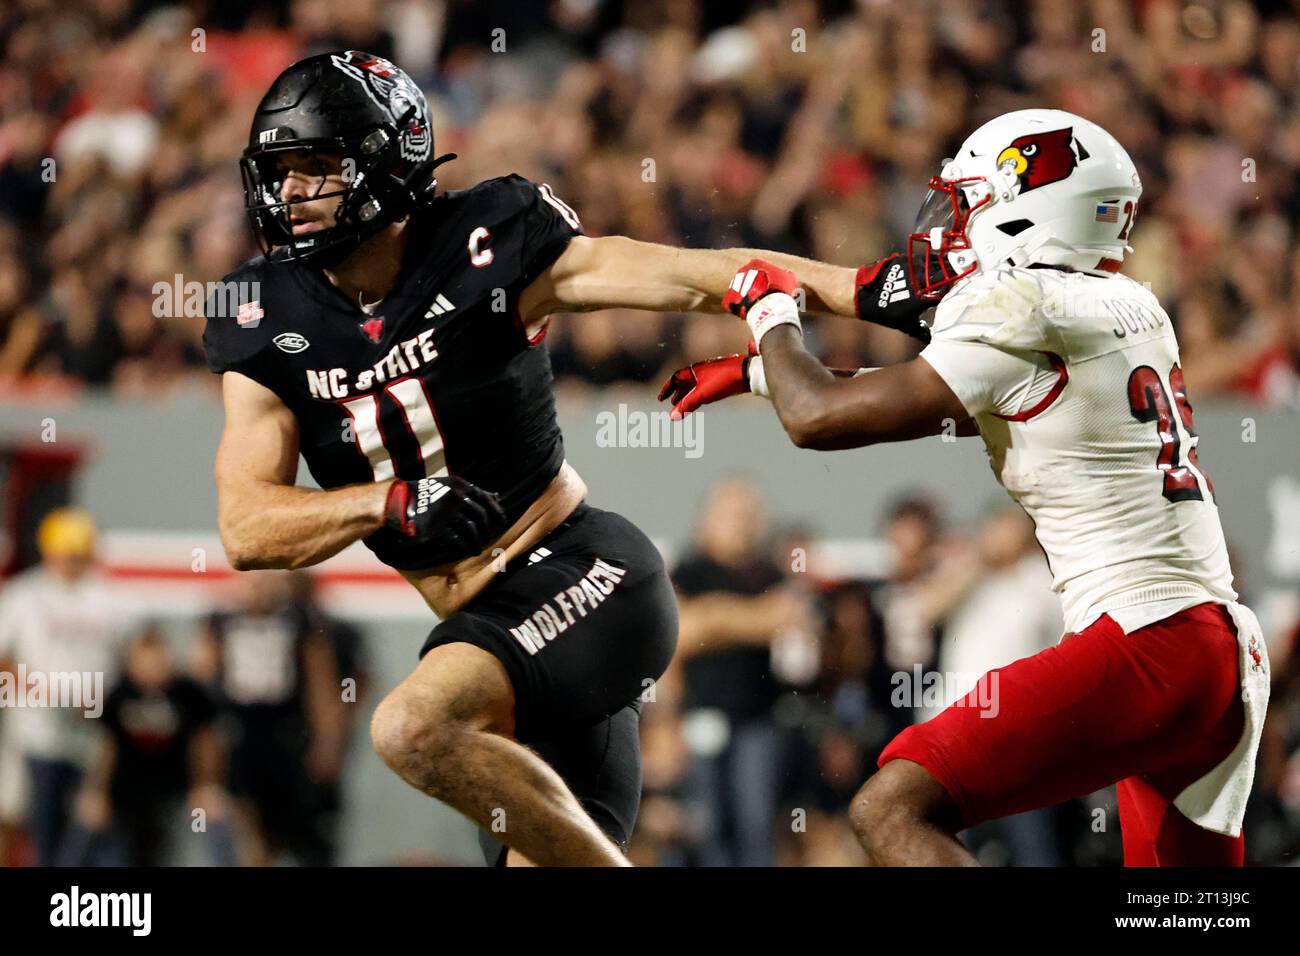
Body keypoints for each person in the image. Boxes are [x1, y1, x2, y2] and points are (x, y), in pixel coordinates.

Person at [203, 51, 911, 866]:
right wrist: (386, 502)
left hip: (584, 575)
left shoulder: (484, 242)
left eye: (316, 167)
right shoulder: (260, 315)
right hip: (501, 645)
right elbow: (246, 526)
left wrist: (872, 289)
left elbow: (695, 278)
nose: (290, 192)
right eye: (280, 171)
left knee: (412, 726)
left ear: (385, 160)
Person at [661, 108, 1270, 866]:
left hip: (1143, 642)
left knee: (892, 809)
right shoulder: (1130, 305)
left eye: (967, 203)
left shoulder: (1020, 305)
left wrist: (772, 315)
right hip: (1218, 647)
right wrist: (762, 371)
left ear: (1024, 215)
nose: (947, 227)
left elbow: (817, 418)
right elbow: (930, 382)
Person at [0, 508, 127, 866]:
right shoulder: (23, 595)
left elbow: (130, 659)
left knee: (91, 834)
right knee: (37, 825)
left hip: (92, 737)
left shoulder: (107, 598)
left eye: (78, 554)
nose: (72, 562)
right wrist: (38, 690)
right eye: (66, 554)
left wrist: (104, 699)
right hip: (35, 733)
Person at [194, 571, 342, 866]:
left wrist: (327, 742)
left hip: (285, 732)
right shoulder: (220, 621)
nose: (259, 587)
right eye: (251, 580)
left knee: (289, 823)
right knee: (243, 820)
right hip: (238, 731)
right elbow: (202, 685)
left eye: (266, 579)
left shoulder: (300, 621)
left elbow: (320, 685)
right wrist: (204, 770)